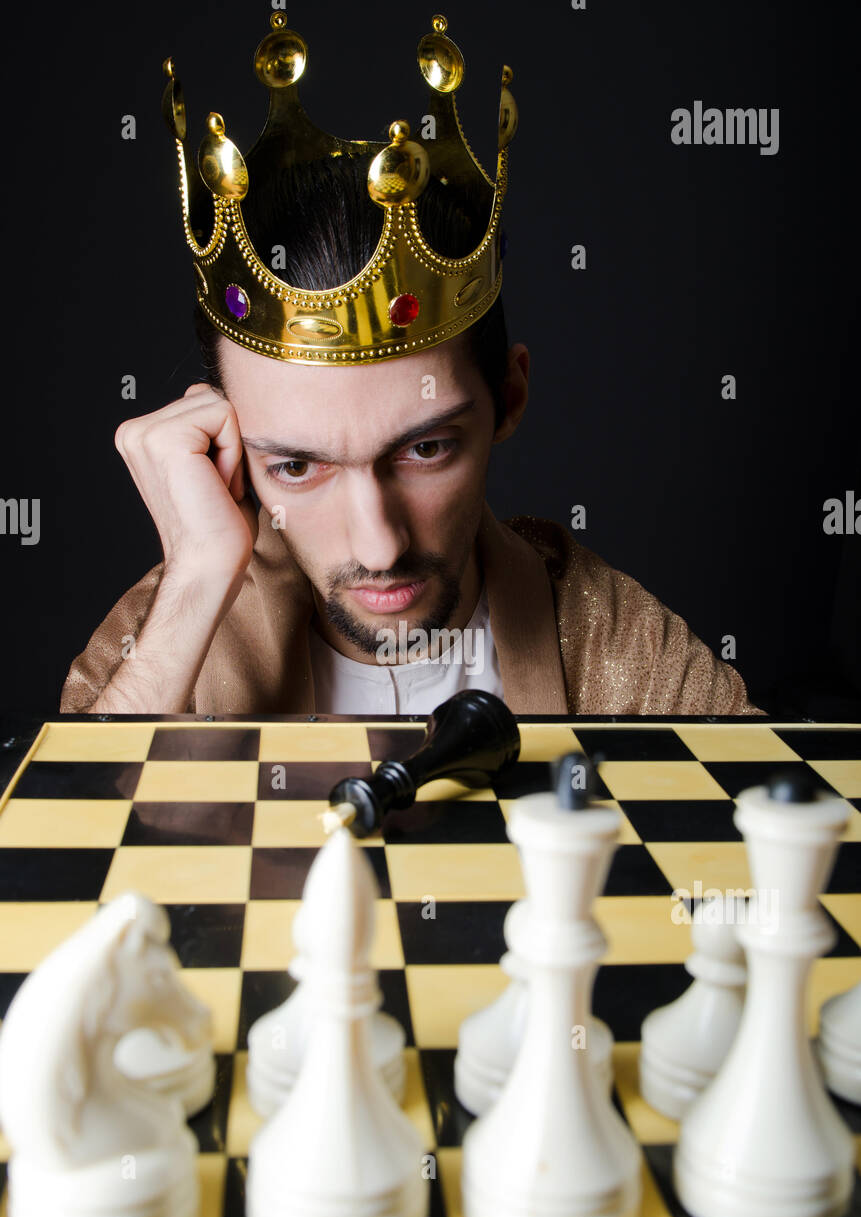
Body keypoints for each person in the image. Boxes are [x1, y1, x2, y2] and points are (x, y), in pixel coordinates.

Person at [60, 17, 761, 719]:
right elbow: (66, 827)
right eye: (296, 467)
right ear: (225, 449)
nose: (378, 545)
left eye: (425, 448)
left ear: (509, 395)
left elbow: (773, 816)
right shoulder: (168, 632)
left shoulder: (606, 635)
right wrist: (195, 585)